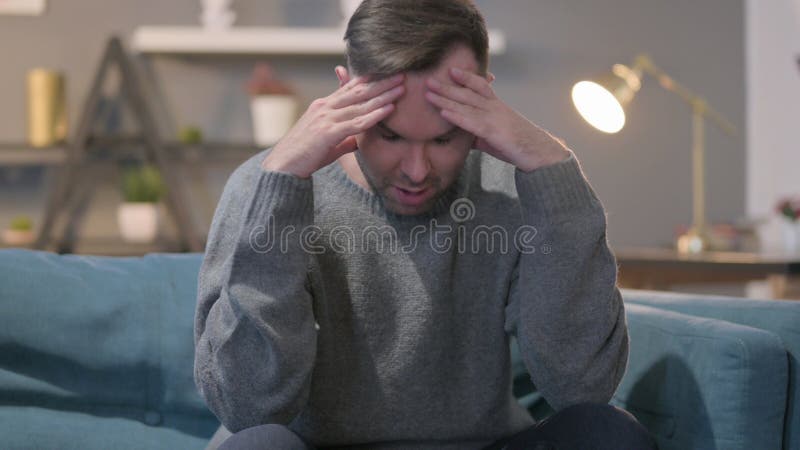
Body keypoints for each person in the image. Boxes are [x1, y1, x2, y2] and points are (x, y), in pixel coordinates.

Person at [194, 1, 657, 449]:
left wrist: (553, 168)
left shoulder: (516, 192)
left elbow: (583, 388)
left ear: (483, 96)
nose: (416, 170)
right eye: (389, 134)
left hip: (485, 443)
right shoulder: (265, 185)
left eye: (443, 137)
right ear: (345, 91)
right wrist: (280, 187)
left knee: (607, 432)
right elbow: (246, 407)